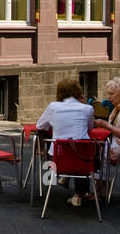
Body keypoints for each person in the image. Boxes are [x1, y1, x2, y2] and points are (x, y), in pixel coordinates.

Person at [35, 77, 96, 207]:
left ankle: (63, 179)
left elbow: (40, 126)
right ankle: (80, 194)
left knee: (63, 150)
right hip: (83, 159)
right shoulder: (88, 109)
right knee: (83, 153)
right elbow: (90, 128)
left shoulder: (53, 107)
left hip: (57, 159)